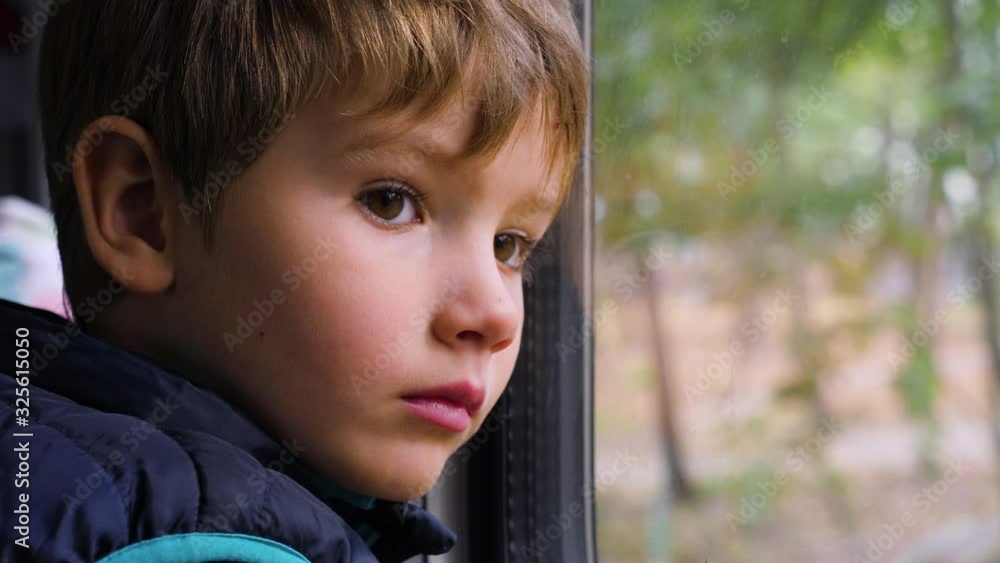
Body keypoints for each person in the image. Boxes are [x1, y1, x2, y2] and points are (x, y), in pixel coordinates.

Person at [0, 1, 588, 561]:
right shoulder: (196, 546)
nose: (495, 315)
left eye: (509, 246)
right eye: (391, 202)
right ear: (143, 211)